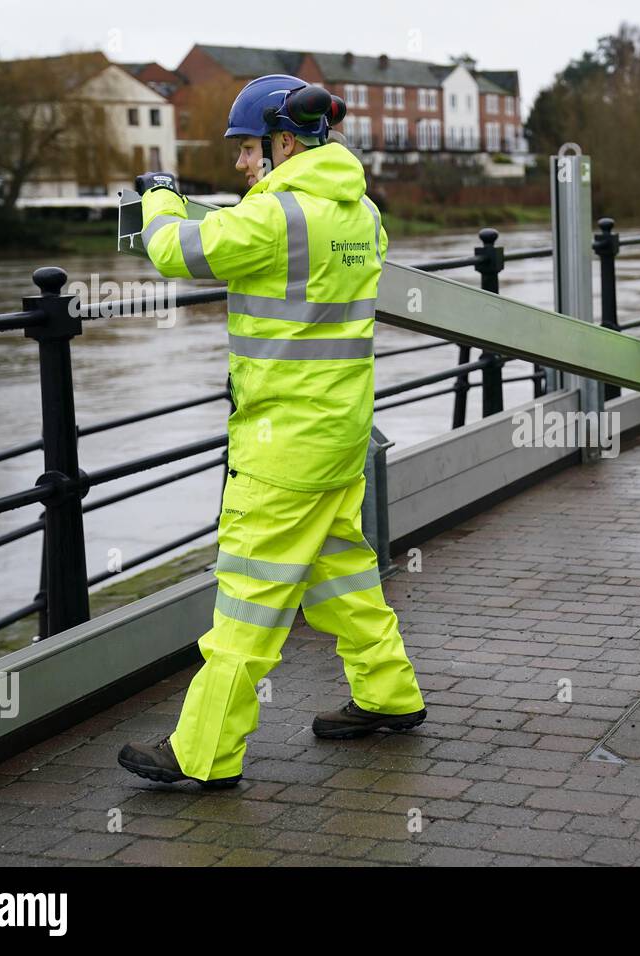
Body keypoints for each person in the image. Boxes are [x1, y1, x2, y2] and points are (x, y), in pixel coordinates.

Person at [118, 74, 426, 788]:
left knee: (246, 600)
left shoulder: (276, 218)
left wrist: (159, 192)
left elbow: (174, 251)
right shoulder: (365, 216)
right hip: (340, 431)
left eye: (249, 148)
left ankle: (204, 752)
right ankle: (388, 694)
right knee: (341, 566)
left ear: (287, 142)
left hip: (279, 445)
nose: (240, 164)